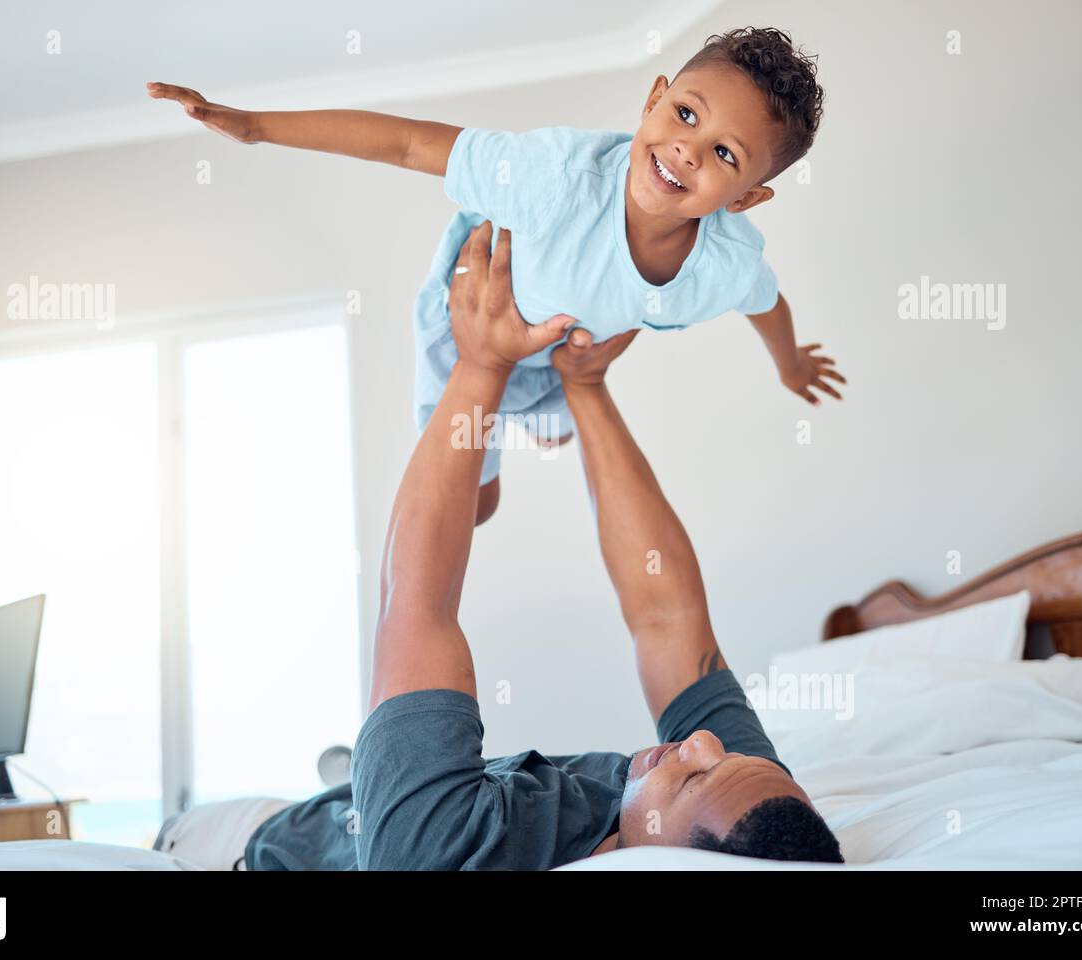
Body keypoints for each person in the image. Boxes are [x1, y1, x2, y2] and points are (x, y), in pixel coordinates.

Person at [155, 220, 843, 870]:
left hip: (241, 841)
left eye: (693, 778)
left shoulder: (446, 853)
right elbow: (667, 616)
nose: (701, 744)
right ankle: (366, 775)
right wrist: (586, 385)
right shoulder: (751, 798)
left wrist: (480, 367)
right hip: (363, 807)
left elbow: (415, 606)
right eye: (720, 754)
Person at [146, 26, 846, 525]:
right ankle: (512, 435)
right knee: (478, 509)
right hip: (469, 331)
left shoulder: (723, 263)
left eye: (724, 153)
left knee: (554, 424)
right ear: (653, 99)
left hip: (559, 352)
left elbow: (766, 301)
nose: (686, 150)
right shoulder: (554, 178)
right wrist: (259, 127)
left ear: (749, 196)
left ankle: (546, 418)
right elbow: (410, 143)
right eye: (685, 114)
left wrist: (787, 365)